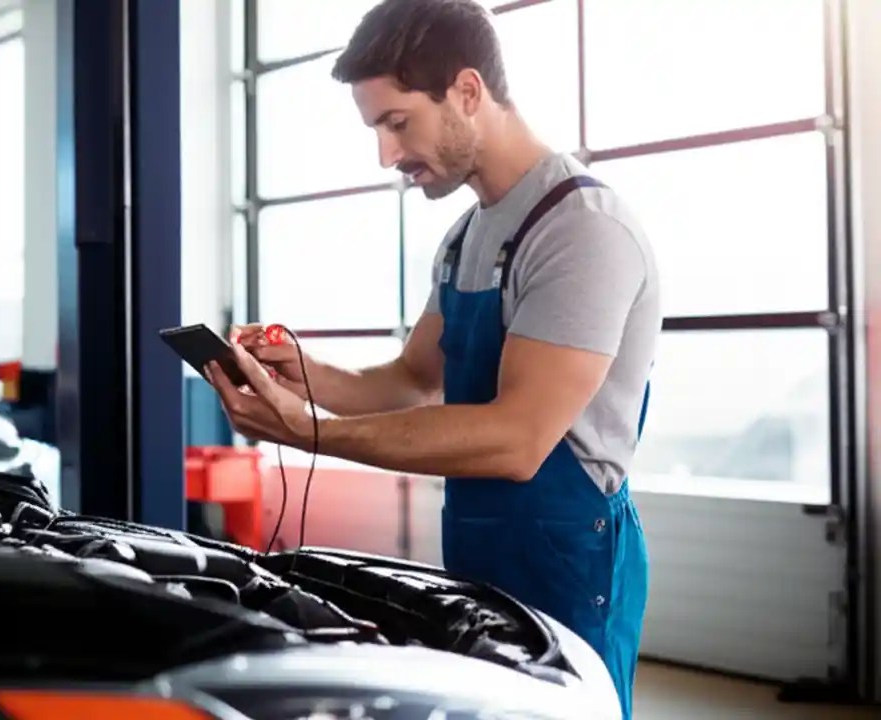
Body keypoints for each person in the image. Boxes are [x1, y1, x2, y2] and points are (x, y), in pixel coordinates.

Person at [203, 0, 658, 717]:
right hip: (479, 551)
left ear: (468, 93)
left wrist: (307, 431)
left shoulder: (580, 232)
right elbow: (414, 382)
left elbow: (517, 440)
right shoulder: (466, 237)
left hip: (570, 560)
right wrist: (301, 374)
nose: (387, 155)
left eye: (397, 123)